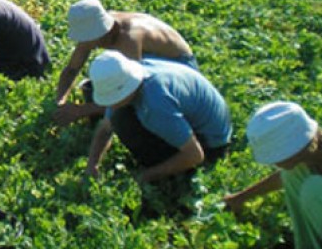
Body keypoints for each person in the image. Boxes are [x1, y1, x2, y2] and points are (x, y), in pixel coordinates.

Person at [84, 51, 231, 213]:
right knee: (119, 116)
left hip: (211, 144)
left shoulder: (155, 106)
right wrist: (93, 164)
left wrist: (145, 176)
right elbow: (105, 127)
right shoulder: (137, 72)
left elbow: (195, 155)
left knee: (125, 124)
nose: (111, 105)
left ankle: (164, 171)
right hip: (203, 125)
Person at [224, 102, 322, 249]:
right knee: (293, 175)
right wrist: (240, 198)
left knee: (315, 189)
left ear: (296, 150)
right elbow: (282, 177)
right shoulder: (321, 143)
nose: (274, 163)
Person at [55, 0, 196, 126]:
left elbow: (132, 92)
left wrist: (82, 110)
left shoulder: (129, 38)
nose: (88, 45)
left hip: (180, 66)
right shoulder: (93, 26)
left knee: (145, 102)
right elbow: (72, 69)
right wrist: (61, 102)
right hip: (149, 61)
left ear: (103, 32)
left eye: (91, 40)